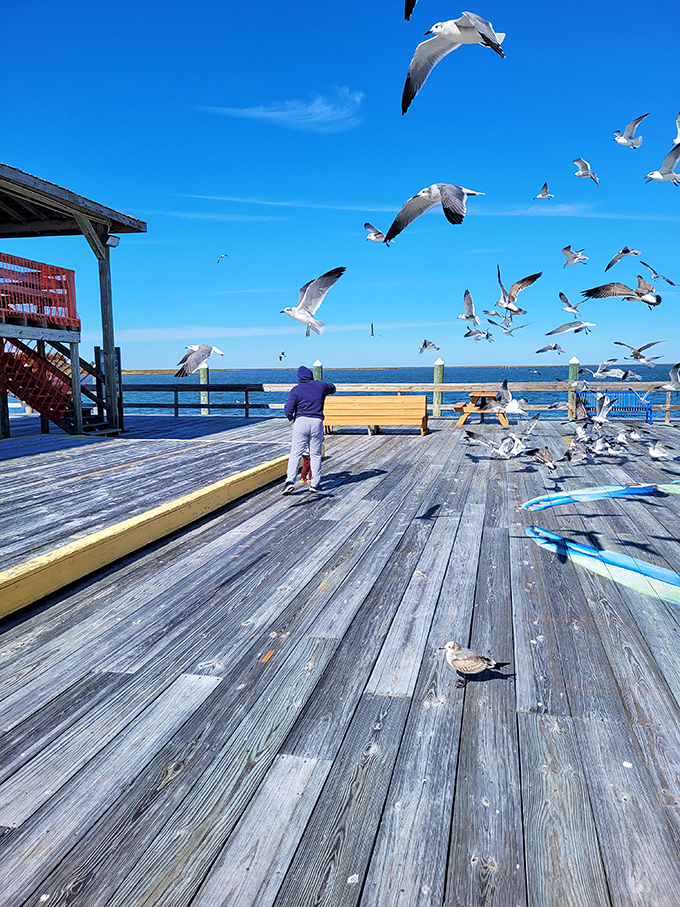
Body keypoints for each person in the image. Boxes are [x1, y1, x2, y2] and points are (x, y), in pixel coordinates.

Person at [282, 365, 336, 493]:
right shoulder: (321, 386)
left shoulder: (296, 390)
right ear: (310, 376)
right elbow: (333, 388)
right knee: (316, 454)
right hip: (317, 422)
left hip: (301, 421)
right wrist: (320, 386)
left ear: (299, 378)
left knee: (296, 453)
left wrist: (291, 419)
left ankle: (290, 481)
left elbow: (288, 409)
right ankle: (315, 484)